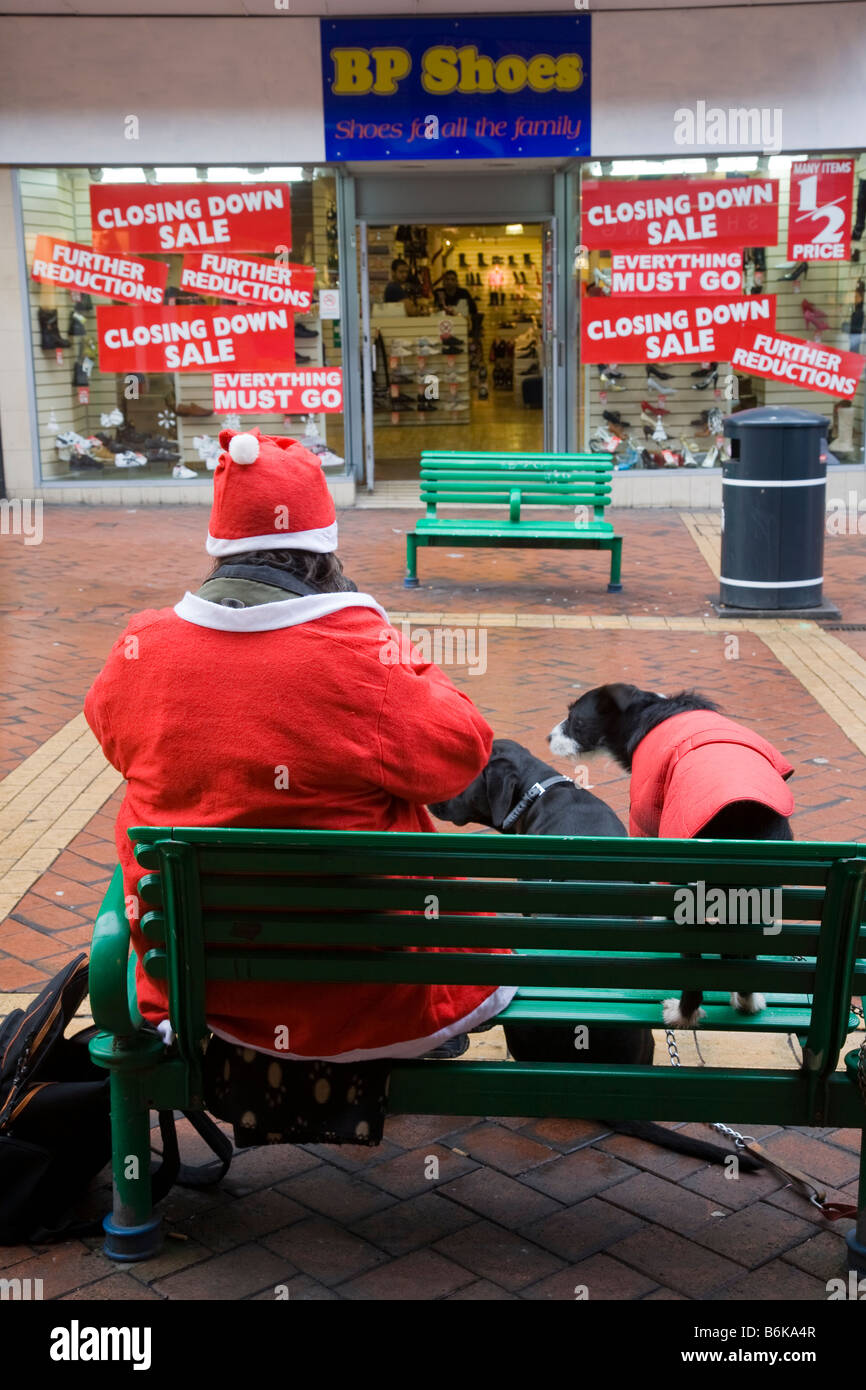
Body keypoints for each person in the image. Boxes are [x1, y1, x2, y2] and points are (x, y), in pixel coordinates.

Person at [84, 428, 513, 1063]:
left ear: (222, 549)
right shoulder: (358, 654)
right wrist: (387, 640)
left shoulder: (140, 649)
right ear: (321, 553)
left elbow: (116, 739)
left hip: (205, 992)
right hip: (368, 997)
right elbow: (460, 756)